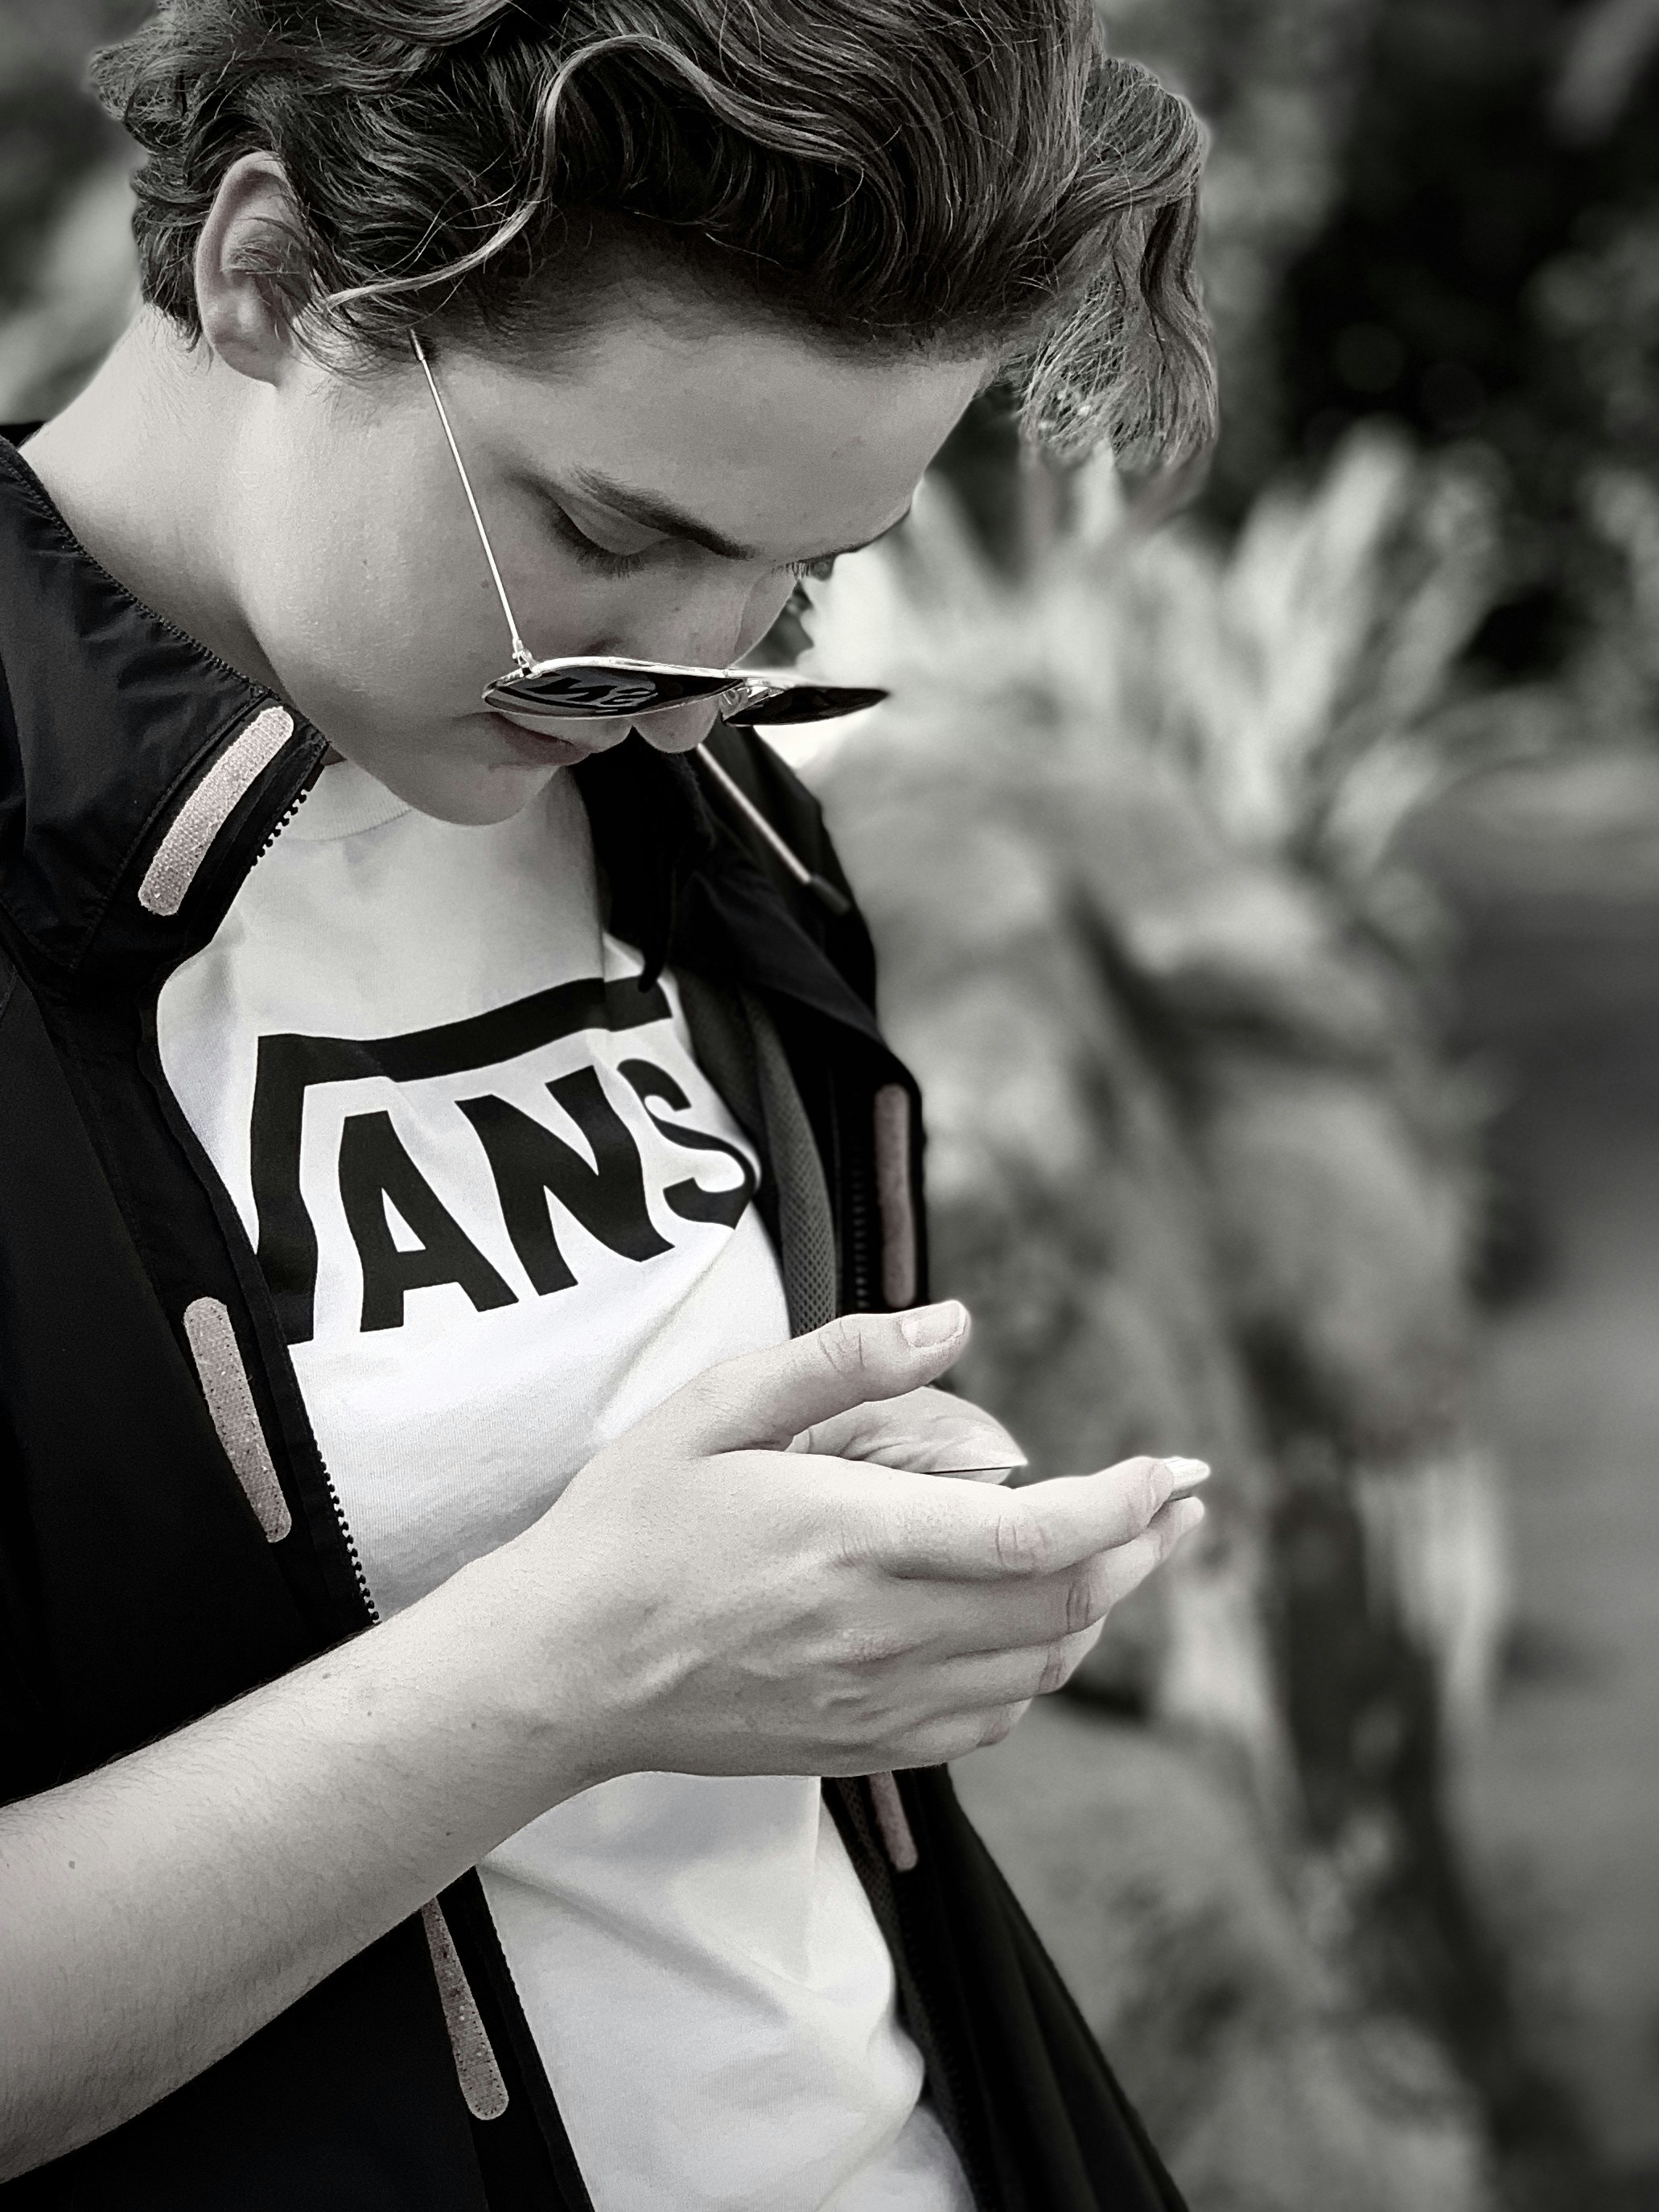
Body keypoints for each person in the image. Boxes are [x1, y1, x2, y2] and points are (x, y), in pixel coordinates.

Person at [0, 2, 1218, 2206]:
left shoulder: (712, 833)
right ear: (270, 278)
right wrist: (561, 1670)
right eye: (606, 532)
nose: (693, 701)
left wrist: (861, 1578)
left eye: (802, 589)